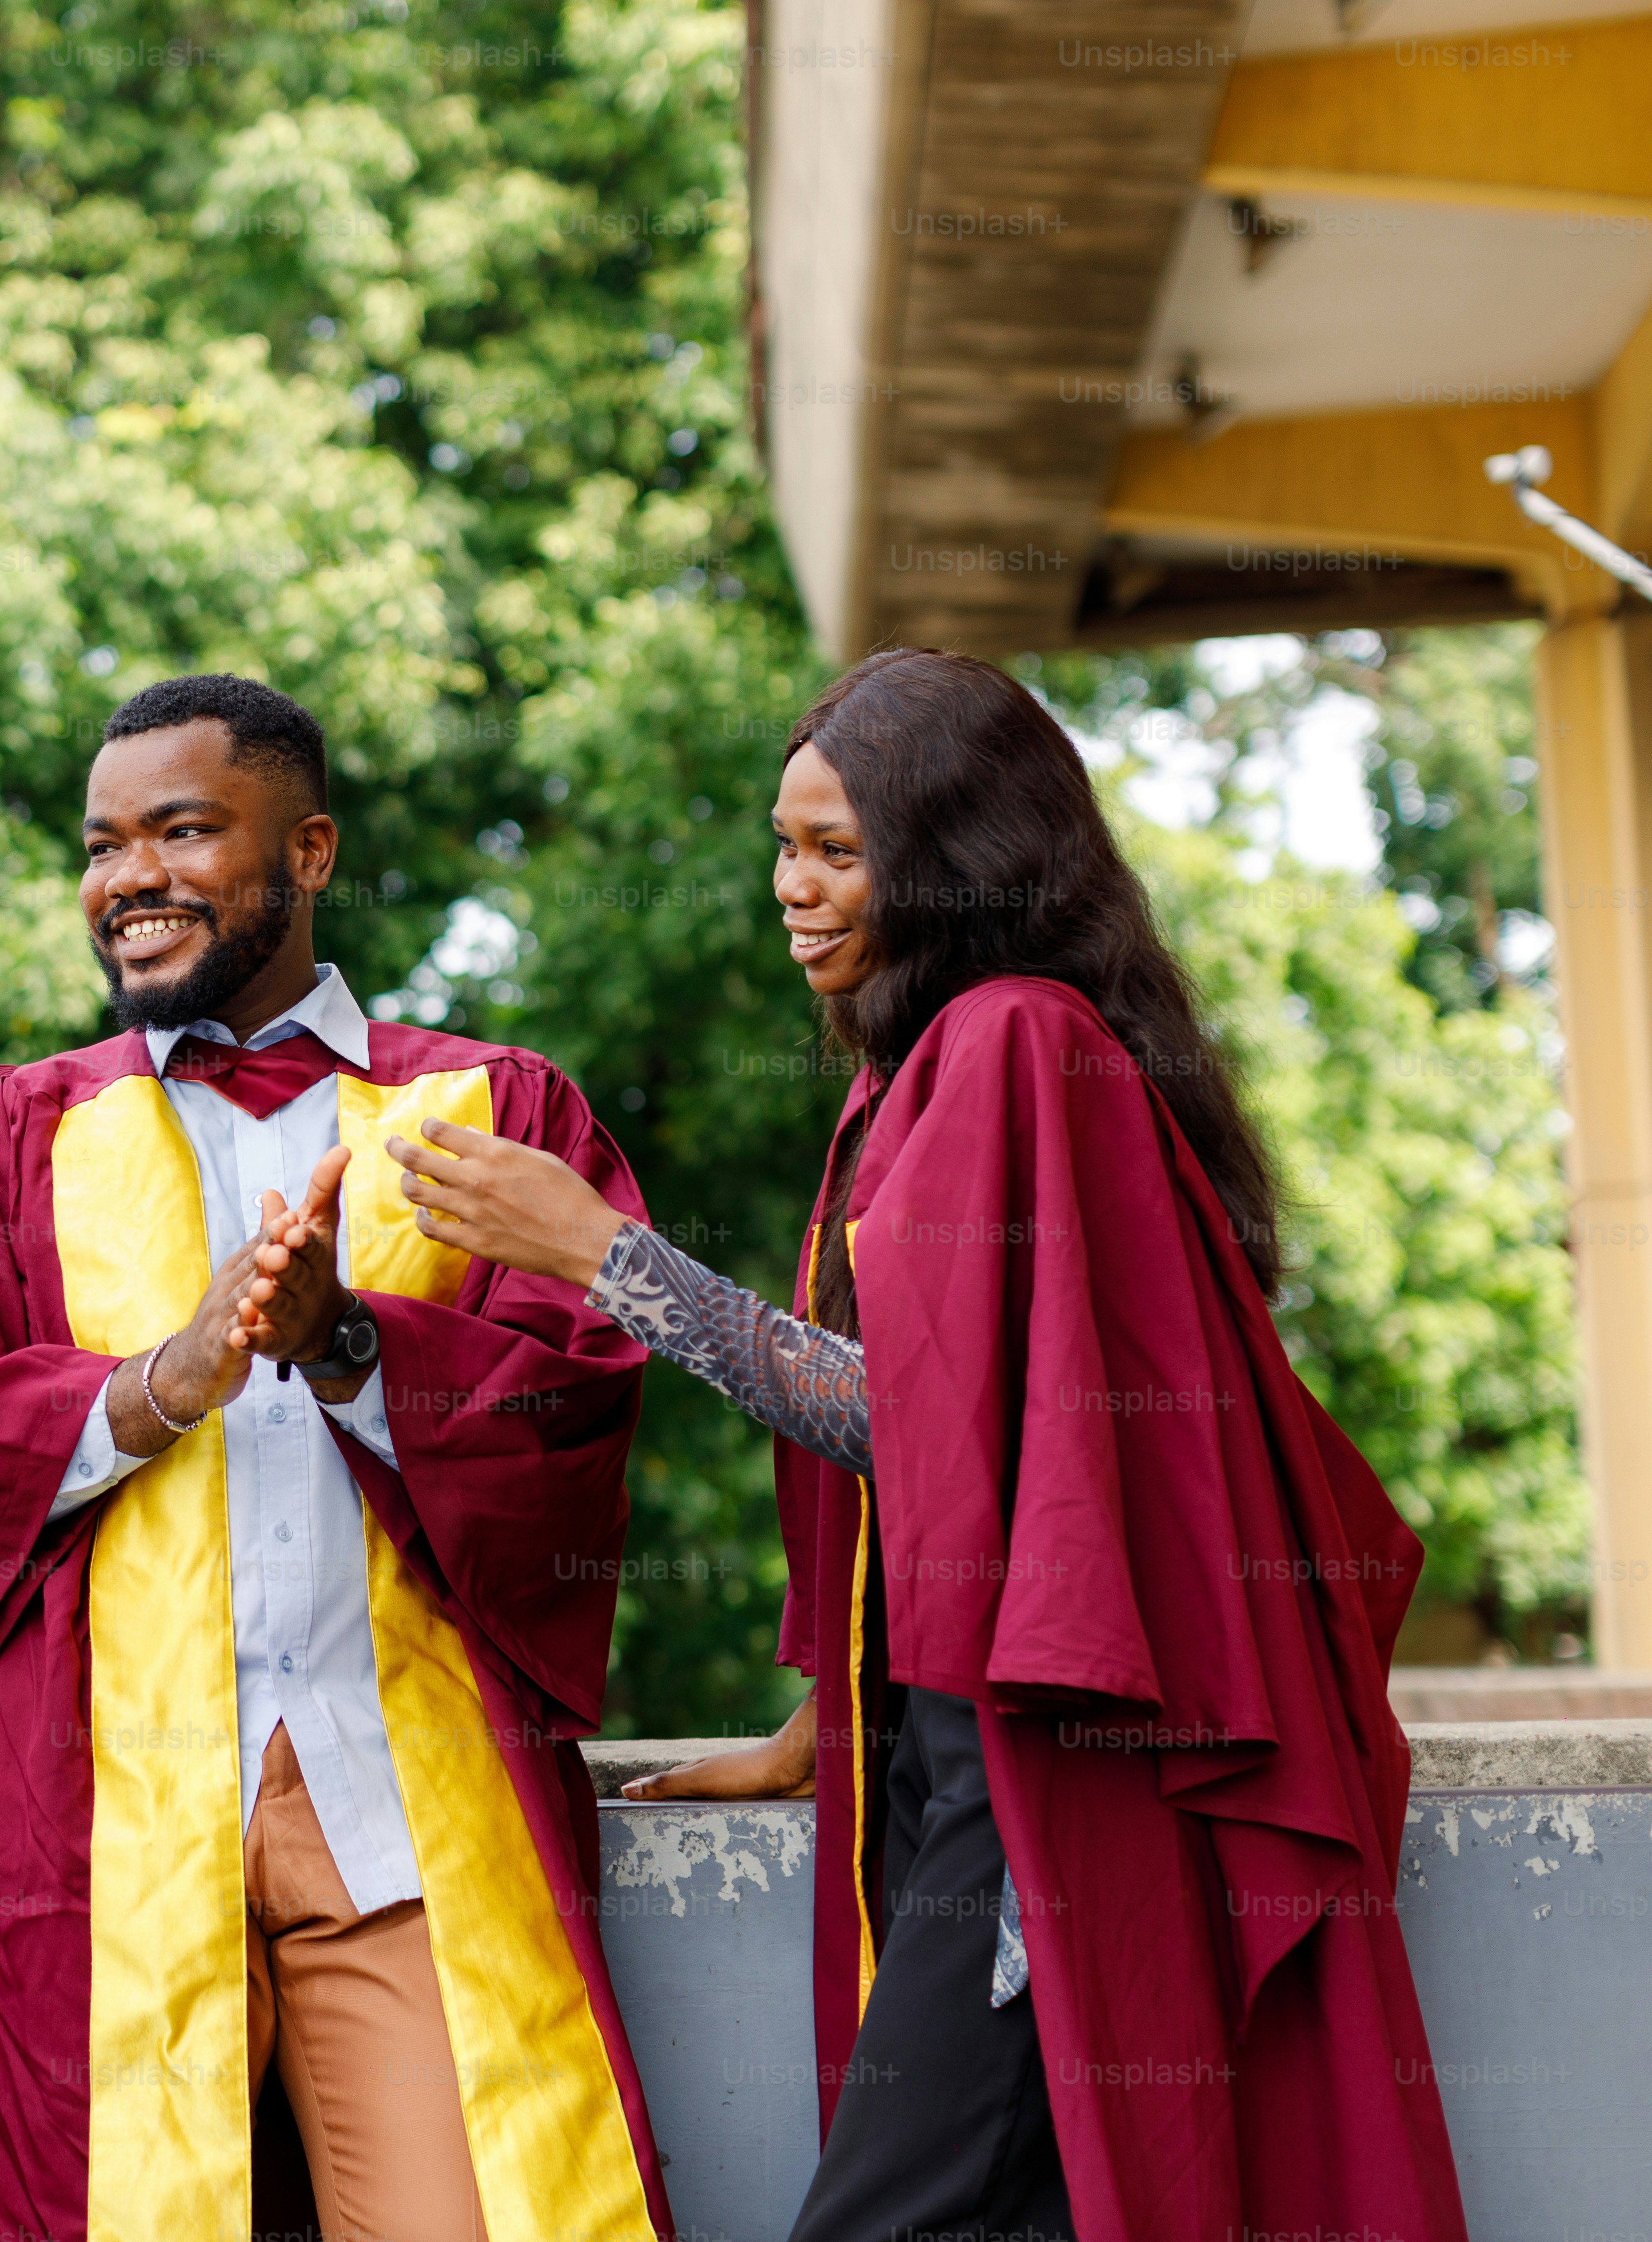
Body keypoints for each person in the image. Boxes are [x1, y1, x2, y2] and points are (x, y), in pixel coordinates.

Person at [385, 646, 1468, 2242]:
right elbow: (948, 1480)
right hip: (943, 1764)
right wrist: (829, 1729)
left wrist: (606, 1257)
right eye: (782, 845)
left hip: (1051, 1787)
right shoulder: (906, 1078)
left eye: (837, 851)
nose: (792, 890)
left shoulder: (1017, 1043)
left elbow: (928, 1431)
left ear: (958, 855)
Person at [0, 674, 673, 2242]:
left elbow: (575, 1413)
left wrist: (348, 1344)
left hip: (397, 1806)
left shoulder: (484, 1110)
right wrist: (167, 1380)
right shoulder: (2, 1134)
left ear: (314, 851)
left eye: (183, 831)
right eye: (102, 845)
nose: (127, 877)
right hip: (85, 1832)